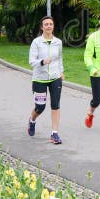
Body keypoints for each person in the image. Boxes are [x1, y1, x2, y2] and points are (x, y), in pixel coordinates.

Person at [27, 16, 65, 144]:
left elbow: (60, 58)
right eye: (46, 24)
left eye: (50, 24)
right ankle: (32, 120)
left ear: (53, 26)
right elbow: (31, 62)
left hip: (55, 78)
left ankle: (54, 134)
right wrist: (42, 61)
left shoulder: (58, 42)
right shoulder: (36, 42)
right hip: (39, 79)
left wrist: (61, 71)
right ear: (42, 27)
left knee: (55, 105)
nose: (48, 26)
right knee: (40, 107)